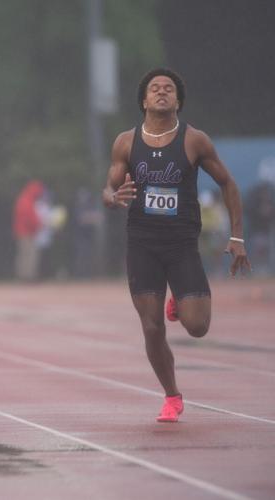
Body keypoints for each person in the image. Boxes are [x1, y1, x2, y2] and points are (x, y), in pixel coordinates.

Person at [103, 68, 251, 422]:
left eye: (169, 88)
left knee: (198, 326)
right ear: (144, 100)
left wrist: (237, 236)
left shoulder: (194, 140)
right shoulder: (126, 141)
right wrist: (113, 197)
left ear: (178, 100)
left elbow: (228, 184)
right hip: (142, 244)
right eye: (154, 88)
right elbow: (108, 189)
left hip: (182, 244)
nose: (161, 92)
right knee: (152, 326)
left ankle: (179, 303)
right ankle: (171, 395)